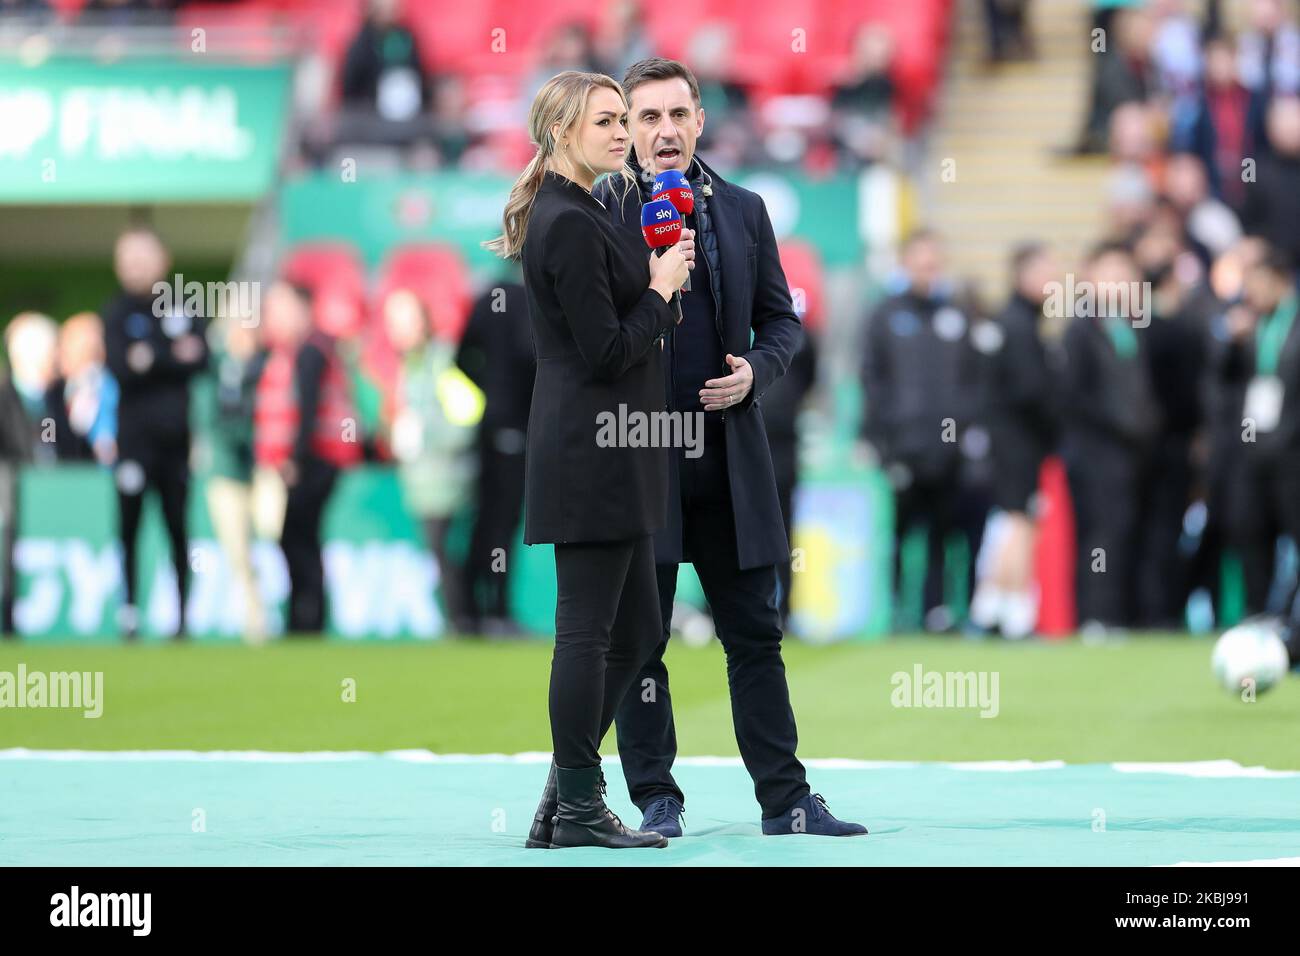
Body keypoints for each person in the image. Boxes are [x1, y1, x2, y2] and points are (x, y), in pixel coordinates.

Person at [597, 57, 867, 838]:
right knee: (639, 646)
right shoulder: (601, 215)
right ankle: (656, 799)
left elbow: (785, 323)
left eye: (676, 114)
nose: (663, 131)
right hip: (640, 454)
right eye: (645, 117)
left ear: (700, 120)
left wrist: (757, 371)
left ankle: (785, 802)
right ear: (625, 129)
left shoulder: (745, 210)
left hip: (729, 455)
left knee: (755, 635)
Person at [486, 71, 689, 849]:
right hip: (592, 448)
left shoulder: (585, 208)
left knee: (636, 633)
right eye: (606, 121)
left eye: (620, 120)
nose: (621, 133)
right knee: (589, 632)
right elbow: (605, 350)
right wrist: (664, 292)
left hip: (619, 447)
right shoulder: (566, 220)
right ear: (566, 131)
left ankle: (563, 791)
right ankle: (576, 803)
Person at [862, 230, 984, 633]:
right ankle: (898, 611)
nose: (927, 270)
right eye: (920, 261)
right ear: (905, 263)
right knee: (900, 534)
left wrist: (965, 432)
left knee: (945, 535)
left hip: (948, 451)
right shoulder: (884, 316)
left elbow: (973, 381)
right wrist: (880, 441)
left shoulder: (957, 316)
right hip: (902, 449)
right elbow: (873, 382)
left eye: (933, 262)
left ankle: (939, 611)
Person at [102, 226, 209, 639]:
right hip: (133, 444)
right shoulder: (114, 312)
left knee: (177, 527)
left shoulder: (183, 304)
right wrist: (170, 354)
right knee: (129, 527)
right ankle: (129, 613)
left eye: (142, 257)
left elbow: (200, 359)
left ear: (163, 259)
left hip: (175, 444)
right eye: (127, 259)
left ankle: (183, 617)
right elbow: (121, 367)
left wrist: (151, 356)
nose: (135, 267)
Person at [1060, 242, 1161, 632]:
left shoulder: (1130, 326)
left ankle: (1122, 612)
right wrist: (1119, 425)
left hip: (1129, 451)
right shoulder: (1081, 327)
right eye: (1111, 274)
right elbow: (1075, 395)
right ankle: (1096, 615)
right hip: (1095, 451)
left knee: (1123, 531)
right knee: (1100, 535)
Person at [253, 282, 361, 635]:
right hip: (322, 457)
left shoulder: (310, 351)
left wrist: (294, 460)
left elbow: (308, 408)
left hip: (315, 458)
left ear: (302, 309)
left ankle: (306, 618)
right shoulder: (312, 348)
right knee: (302, 538)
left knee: (297, 537)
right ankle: (307, 615)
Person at [970, 243, 1061, 638]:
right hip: (1016, 440)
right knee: (1017, 520)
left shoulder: (1010, 322)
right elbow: (1030, 390)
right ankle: (1009, 611)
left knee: (1011, 519)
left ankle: (996, 604)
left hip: (1006, 437)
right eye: (1045, 273)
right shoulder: (1019, 326)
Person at [381, 288, 482, 633]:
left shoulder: (442, 362)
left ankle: (464, 624)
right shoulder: (408, 367)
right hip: (424, 484)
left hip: (450, 482)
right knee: (441, 558)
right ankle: (458, 623)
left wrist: (423, 434)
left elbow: (468, 420)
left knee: (451, 557)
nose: (400, 330)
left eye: (406, 321)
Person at [455, 267, 535, 634]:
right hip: (513, 426)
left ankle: (472, 609)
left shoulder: (492, 295)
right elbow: (530, 358)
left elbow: (461, 355)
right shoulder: (528, 300)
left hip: (494, 425)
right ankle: (494, 611)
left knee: (488, 518)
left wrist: (489, 390)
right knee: (501, 521)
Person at [195, 313, 269, 643]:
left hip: (265, 467)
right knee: (238, 549)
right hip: (227, 470)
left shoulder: (269, 366)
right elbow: (208, 418)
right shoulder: (214, 370)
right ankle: (256, 621)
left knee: (272, 534)